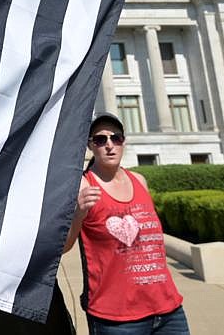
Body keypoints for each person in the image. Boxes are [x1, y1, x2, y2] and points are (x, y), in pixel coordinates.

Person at [64, 113, 189, 334]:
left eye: (116, 138)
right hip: (117, 318)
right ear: (90, 146)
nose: (109, 145)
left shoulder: (140, 180)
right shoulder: (83, 186)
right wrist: (78, 214)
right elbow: (63, 246)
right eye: (100, 140)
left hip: (168, 308)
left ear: (123, 142)